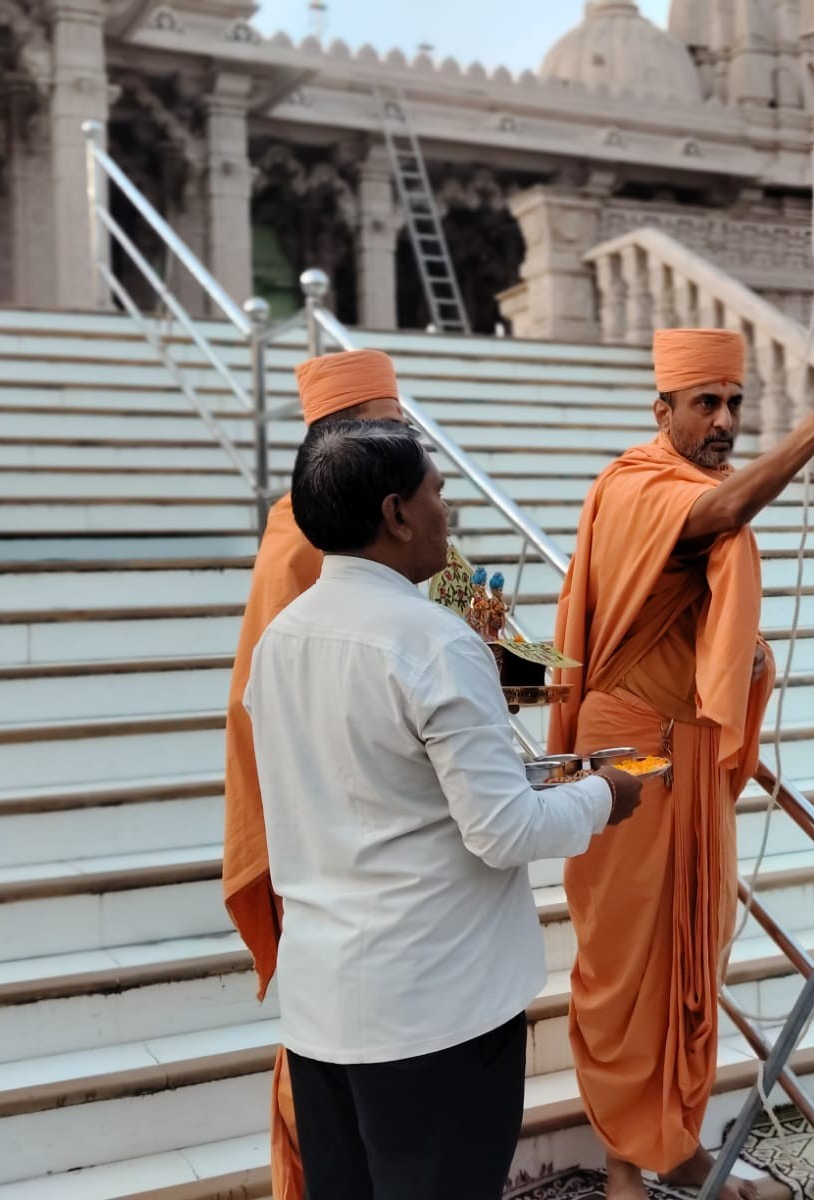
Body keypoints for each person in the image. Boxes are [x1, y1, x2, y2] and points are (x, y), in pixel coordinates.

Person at [244, 418, 644, 1199]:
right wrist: (605, 793)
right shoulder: (432, 641)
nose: (446, 510)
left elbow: (370, 786)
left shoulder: (278, 640)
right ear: (396, 514)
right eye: (437, 493)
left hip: (323, 1006)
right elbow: (504, 831)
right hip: (436, 1010)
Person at [549, 327, 814, 1200]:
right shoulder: (638, 485)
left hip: (685, 749)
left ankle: (678, 1144)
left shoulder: (686, 481)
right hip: (628, 753)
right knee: (624, 965)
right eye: (706, 404)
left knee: (693, 958)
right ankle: (623, 1164)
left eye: (734, 403)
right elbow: (719, 517)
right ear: (662, 410)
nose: (724, 421)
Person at [221, 348, 477, 1199]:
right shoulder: (301, 545)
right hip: (338, 820)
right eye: (389, 426)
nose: (404, 440)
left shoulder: (349, 535)